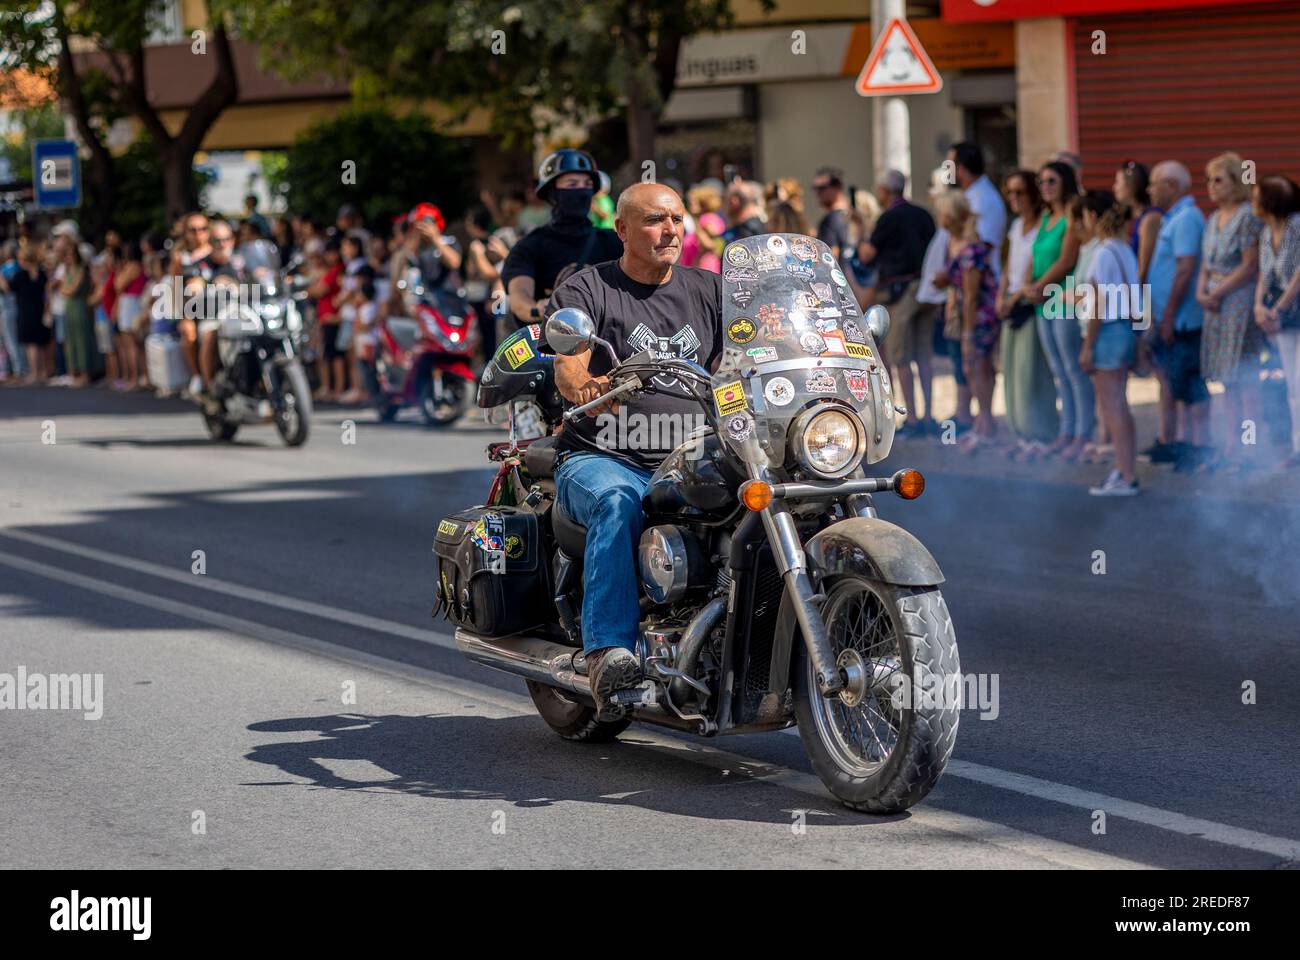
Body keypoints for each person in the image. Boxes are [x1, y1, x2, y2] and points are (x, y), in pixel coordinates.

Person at [549, 182, 724, 721]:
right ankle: (610, 654)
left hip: (694, 455)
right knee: (619, 501)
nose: (669, 230)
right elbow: (570, 364)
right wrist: (585, 387)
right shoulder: (590, 290)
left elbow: (761, 340)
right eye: (653, 220)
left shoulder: (711, 289)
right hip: (604, 457)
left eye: (676, 219)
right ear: (622, 230)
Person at [1192, 153, 1262, 472]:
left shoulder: (1247, 217)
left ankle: (1250, 448)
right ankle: (1232, 446)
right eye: (1209, 180)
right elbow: (1205, 263)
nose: (1211, 186)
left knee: (1244, 380)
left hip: (1237, 301)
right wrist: (1201, 291)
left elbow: (1250, 265)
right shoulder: (1212, 218)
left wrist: (1215, 292)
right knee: (1226, 381)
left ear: (1236, 182)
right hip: (1215, 303)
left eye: (1218, 179)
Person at [502, 149, 622, 327]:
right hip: (552, 348)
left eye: (587, 184)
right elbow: (519, 299)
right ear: (552, 192)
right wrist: (538, 309)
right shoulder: (530, 246)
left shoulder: (614, 242)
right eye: (572, 184)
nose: (581, 191)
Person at [858, 169, 937, 436]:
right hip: (926, 290)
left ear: (885, 190)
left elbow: (868, 255)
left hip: (900, 292)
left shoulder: (889, 217)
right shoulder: (924, 214)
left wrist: (861, 235)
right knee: (924, 356)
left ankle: (913, 420)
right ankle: (928, 415)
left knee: (901, 357)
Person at [1025, 161, 1094, 462]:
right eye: (1041, 181)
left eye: (1051, 180)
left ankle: (1082, 433)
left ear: (1065, 182)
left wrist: (1038, 285)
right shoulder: (1046, 217)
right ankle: (1067, 431)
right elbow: (1036, 253)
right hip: (1044, 300)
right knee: (1058, 371)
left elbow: (1066, 260)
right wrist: (1030, 285)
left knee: (1073, 369)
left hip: (1063, 297)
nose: (1045, 186)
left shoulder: (1070, 216)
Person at [1076, 192, 1141, 495]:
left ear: (1092, 216)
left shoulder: (1103, 253)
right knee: (1120, 406)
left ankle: (1125, 475)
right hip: (1124, 330)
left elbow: (1098, 304)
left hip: (1108, 333)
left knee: (1112, 406)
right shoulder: (1124, 249)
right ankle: (1125, 471)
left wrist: (1088, 346)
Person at [1146, 160, 1209, 464]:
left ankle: (1199, 447)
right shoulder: (1173, 218)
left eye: (1154, 183)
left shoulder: (1186, 219)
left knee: (1190, 383)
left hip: (1183, 320)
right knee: (1176, 382)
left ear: (1171, 186)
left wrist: (1169, 315)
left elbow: (1185, 270)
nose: (1149, 190)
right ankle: (1184, 443)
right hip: (1172, 317)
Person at [996, 170, 1059, 460]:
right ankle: (1020, 432)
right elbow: (1010, 265)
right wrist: (1001, 295)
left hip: (1029, 302)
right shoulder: (1017, 226)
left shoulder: (1041, 227)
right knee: (1011, 370)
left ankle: (1041, 432)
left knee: (1031, 371)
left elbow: (1036, 267)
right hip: (1011, 299)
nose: (1014, 198)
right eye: (1010, 192)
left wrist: (1017, 295)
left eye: (1020, 192)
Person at [937, 191, 1000, 451]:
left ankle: (986, 423)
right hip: (967, 313)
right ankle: (982, 423)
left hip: (979, 316)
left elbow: (973, 295)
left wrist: (967, 334)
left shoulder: (972, 249)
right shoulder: (957, 244)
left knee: (978, 366)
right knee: (972, 368)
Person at [1253, 174, 1300, 471]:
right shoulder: (1265, 233)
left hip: (1292, 309)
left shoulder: (1296, 225)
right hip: (1282, 315)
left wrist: (1277, 308)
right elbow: (1263, 275)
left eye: (1256, 196)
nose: (1252, 202)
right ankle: (1298, 448)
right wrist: (1259, 306)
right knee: (1293, 386)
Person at [949, 141, 1007, 273]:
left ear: (961, 169)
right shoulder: (969, 195)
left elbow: (980, 248)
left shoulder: (985, 199)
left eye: (949, 165)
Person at [1113, 161, 1163, 281]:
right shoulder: (1126, 216)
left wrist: (1133, 296)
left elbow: (1144, 268)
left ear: (1131, 185)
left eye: (1118, 182)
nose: (1114, 187)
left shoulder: (1151, 218)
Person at [10, 243, 50, 383]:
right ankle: (43, 372)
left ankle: (34, 373)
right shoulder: (42, 273)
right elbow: (47, 291)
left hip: (26, 311)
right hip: (39, 309)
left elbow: (10, 288)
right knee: (40, 342)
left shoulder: (20, 275)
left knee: (31, 344)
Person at [812, 166, 851, 269]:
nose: (816, 193)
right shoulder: (852, 216)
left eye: (822, 188)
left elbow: (829, 260)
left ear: (837, 188)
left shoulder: (830, 220)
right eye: (814, 188)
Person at [0, 241, 28, 381]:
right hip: (12, 306)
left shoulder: (8, 268)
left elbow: (6, 288)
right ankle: (12, 369)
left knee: (11, 339)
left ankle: (19, 370)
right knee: (9, 340)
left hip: (8, 306)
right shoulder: (18, 267)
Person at [681, 184, 725, 273]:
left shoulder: (707, 219)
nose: (691, 205)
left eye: (694, 202)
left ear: (704, 203)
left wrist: (698, 227)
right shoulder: (702, 219)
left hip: (704, 269)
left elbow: (710, 245)